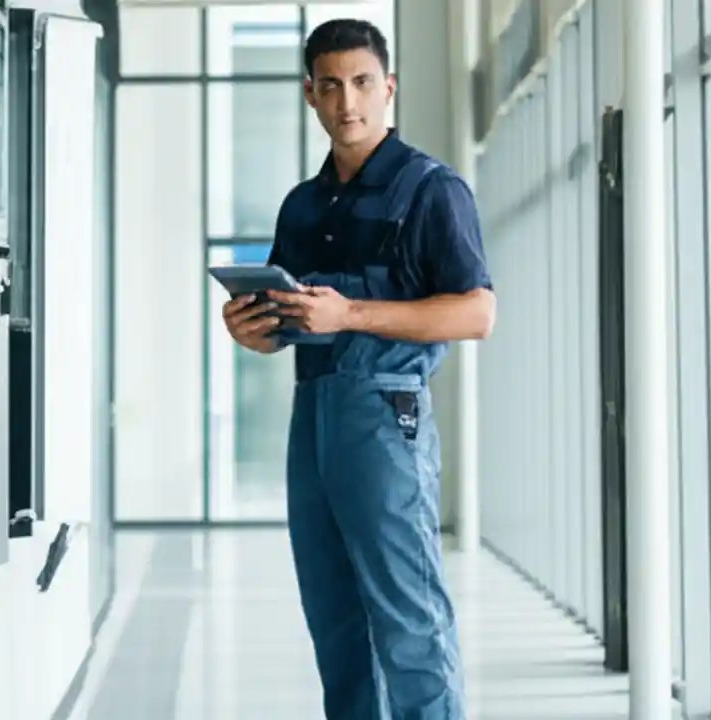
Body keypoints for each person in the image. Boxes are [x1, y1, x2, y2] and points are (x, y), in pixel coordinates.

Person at [221, 18, 494, 720]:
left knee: (406, 615)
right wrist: (257, 331)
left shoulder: (432, 189)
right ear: (310, 94)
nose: (350, 102)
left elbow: (475, 314)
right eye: (333, 85)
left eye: (364, 83)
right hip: (311, 413)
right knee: (335, 620)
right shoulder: (302, 206)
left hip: (385, 415)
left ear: (389, 88)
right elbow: (293, 324)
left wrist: (353, 316)